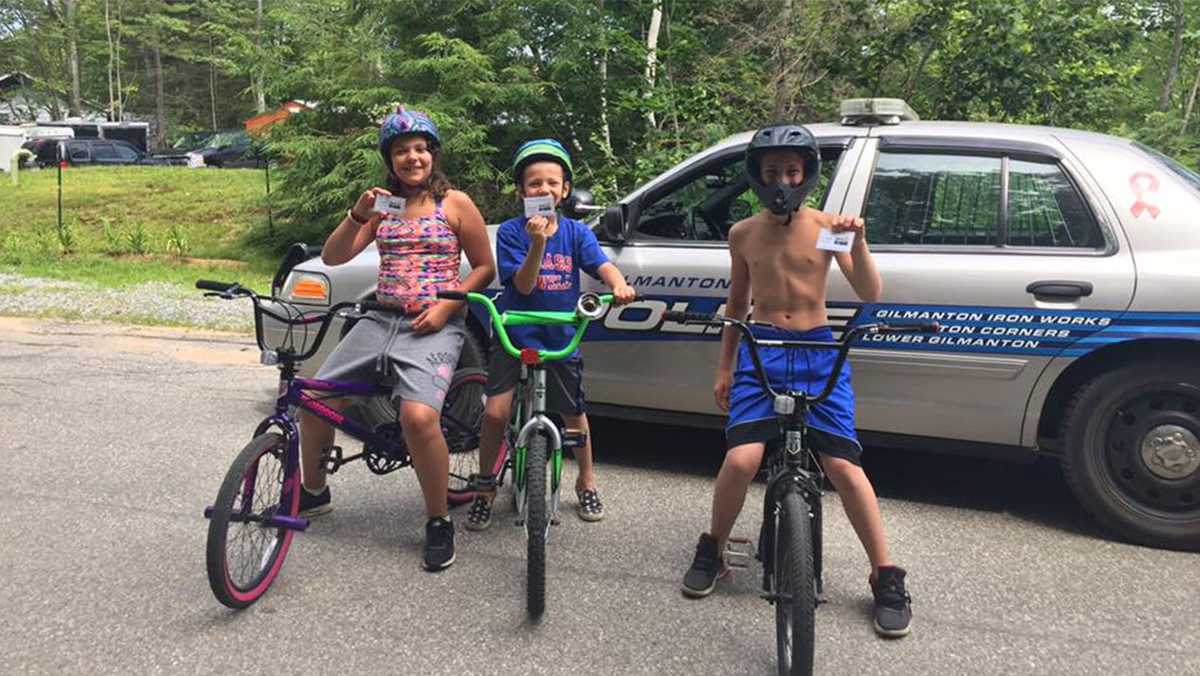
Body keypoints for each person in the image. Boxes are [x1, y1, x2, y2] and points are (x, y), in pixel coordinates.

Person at [680, 124, 913, 638]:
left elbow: (868, 290)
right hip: (761, 348)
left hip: (817, 350)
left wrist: (860, 242)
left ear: (806, 174)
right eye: (771, 172)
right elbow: (737, 305)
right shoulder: (743, 233)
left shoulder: (827, 226)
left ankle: (885, 574)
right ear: (757, 178)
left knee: (844, 467)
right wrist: (725, 365)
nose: (782, 179)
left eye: (791, 170)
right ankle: (713, 546)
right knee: (742, 458)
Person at [296, 105, 496, 573]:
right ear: (390, 159)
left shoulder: (456, 204)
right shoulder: (383, 204)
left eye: (421, 150)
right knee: (315, 401)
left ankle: (437, 520)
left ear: (434, 155)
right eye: (402, 151)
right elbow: (334, 256)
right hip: (379, 319)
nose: (413, 158)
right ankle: (314, 491)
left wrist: (449, 304)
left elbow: (486, 268)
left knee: (419, 417)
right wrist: (356, 214)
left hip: (436, 322)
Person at [464, 139, 635, 531]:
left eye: (552, 183)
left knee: (574, 415)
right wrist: (537, 243)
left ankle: (586, 480)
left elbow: (601, 266)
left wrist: (619, 283)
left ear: (565, 189)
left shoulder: (575, 232)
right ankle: (486, 485)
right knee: (495, 413)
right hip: (515, 332)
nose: (543, 190)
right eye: (534, 183)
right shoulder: (510, 232)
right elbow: (522, 286)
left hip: (561, 334)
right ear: (522, 190)